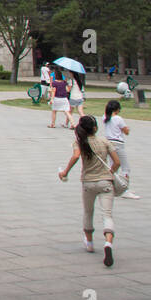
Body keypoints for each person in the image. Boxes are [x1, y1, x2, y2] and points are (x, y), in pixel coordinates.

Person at [59, 114, 121, 267]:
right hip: (105, 182)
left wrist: (65, 172)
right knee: (107, 214)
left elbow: (75, 157)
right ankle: (108, 243)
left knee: (88, 212)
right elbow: (117, 162)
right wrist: (110, 173)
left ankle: (90, 242)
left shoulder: (80, 143)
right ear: (95, 128)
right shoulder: (104, 141)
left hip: (88, 182)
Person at [101, 100, 139, 199]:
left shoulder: (105, 117)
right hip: (118, 144)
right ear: (117, 109)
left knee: (113, 166)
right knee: (125, 167)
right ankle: (124, 189)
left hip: (108, 143)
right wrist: (127, 129)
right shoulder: (118, 118)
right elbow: (126, 131)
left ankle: (112, 187)